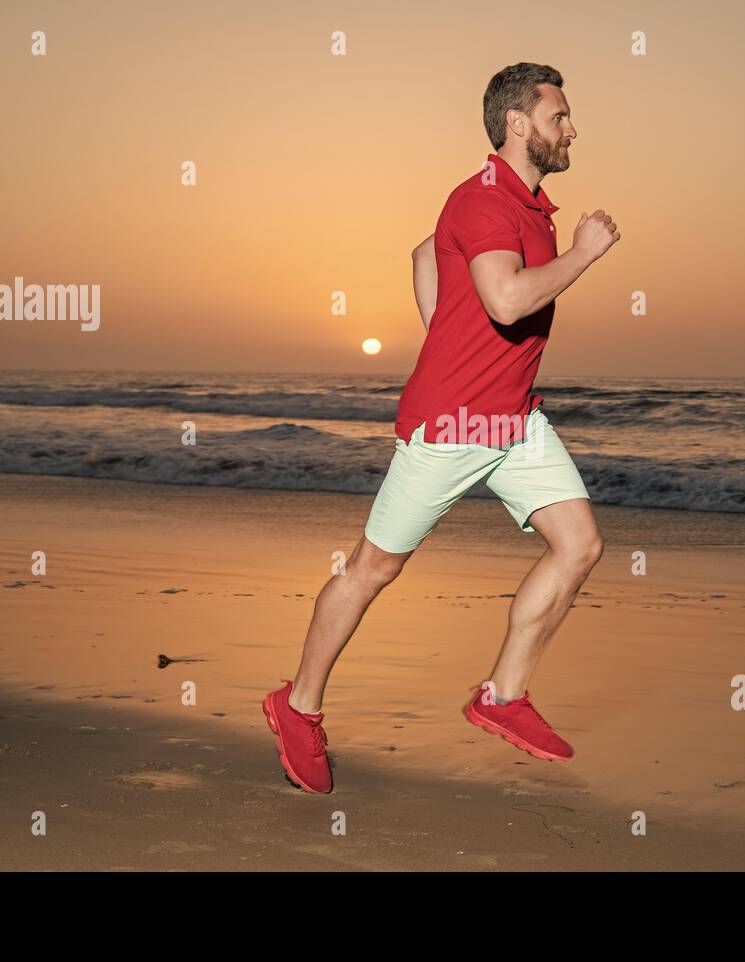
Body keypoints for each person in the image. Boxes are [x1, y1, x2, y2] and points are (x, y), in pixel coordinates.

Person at [262, 62, 620, 793]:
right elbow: (510, 301)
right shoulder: (484, 201)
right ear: (519, 124)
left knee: (580, 544)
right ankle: (296, 707)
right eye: (560, 116)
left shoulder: (519, 203)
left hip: (515, 422)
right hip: (452, 426)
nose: (571, 128)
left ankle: (502, 696)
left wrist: (445, 335)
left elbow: (425, 254)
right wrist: (585, 254)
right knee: (374, 568)